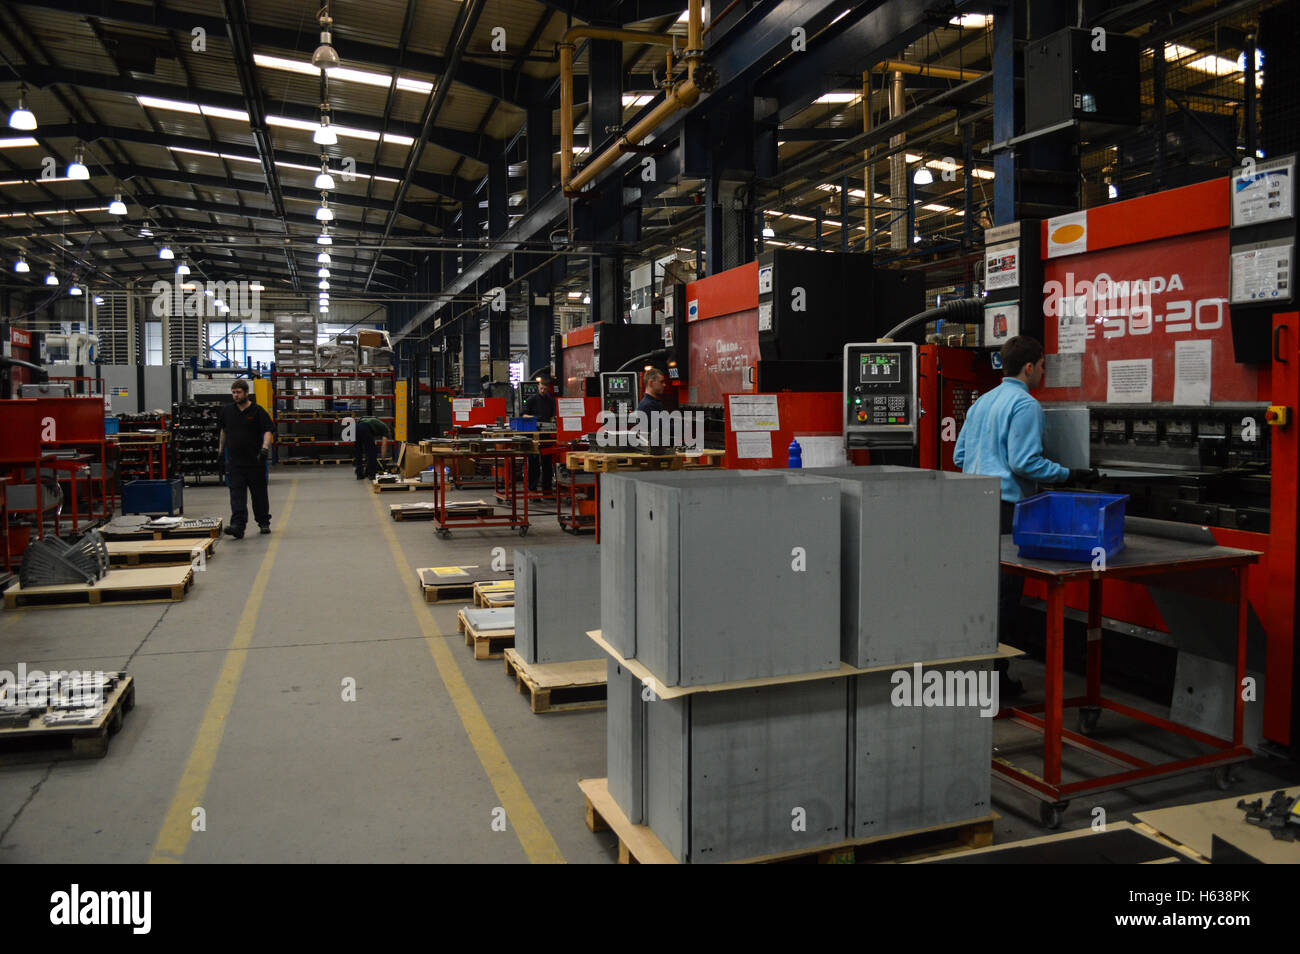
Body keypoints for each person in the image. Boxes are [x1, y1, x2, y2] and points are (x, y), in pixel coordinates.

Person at [953, 336, 1069, 697]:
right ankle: (995, 681)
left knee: (978, 592)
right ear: (1030, 366)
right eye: (1043, 366)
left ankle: (971, 673)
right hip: (1004, 511)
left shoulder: (982, 402)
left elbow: (959, 456)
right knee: (1004, 596)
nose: (1043, 373)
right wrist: (1069, 474)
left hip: (972, 506)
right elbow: (1024, 462)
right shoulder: (1025, 405)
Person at [218, 379, 274, 539]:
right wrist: (220, 452)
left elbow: (269, 430)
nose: (235, 395)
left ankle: (263, 522)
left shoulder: (257, 411)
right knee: (236, 495)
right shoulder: (227, 411)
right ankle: (238, 526)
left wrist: (264, 449)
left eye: (238, 392)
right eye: (233, 393)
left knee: (259, 495)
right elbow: (224, 431)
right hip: (235, 463)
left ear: (246, 393)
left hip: (255, 461)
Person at [522, 375, 556, 492]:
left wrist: (552, 421)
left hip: (546, 435)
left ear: (548, 389)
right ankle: (532, 489)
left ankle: (547, 489)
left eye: (545, 389)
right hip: (533, 435)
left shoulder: (551, 401)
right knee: (534, 463)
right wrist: (535, 418)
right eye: (541, 388)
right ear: (538, 387)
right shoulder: (531, 400)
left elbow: (553, 417)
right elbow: (523, 415)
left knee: (547, 463)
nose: (543, 391)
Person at [353, 416, 391, 480]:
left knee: (358, 451)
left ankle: (359, 474)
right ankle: (371, 474)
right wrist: (383, 460)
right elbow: (384, 445)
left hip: (355, 427)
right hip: (365, 428)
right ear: (389, 430)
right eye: (389, 434)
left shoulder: (377, 422)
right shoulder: (385, 429)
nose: (388, 435)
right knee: (372, 451)